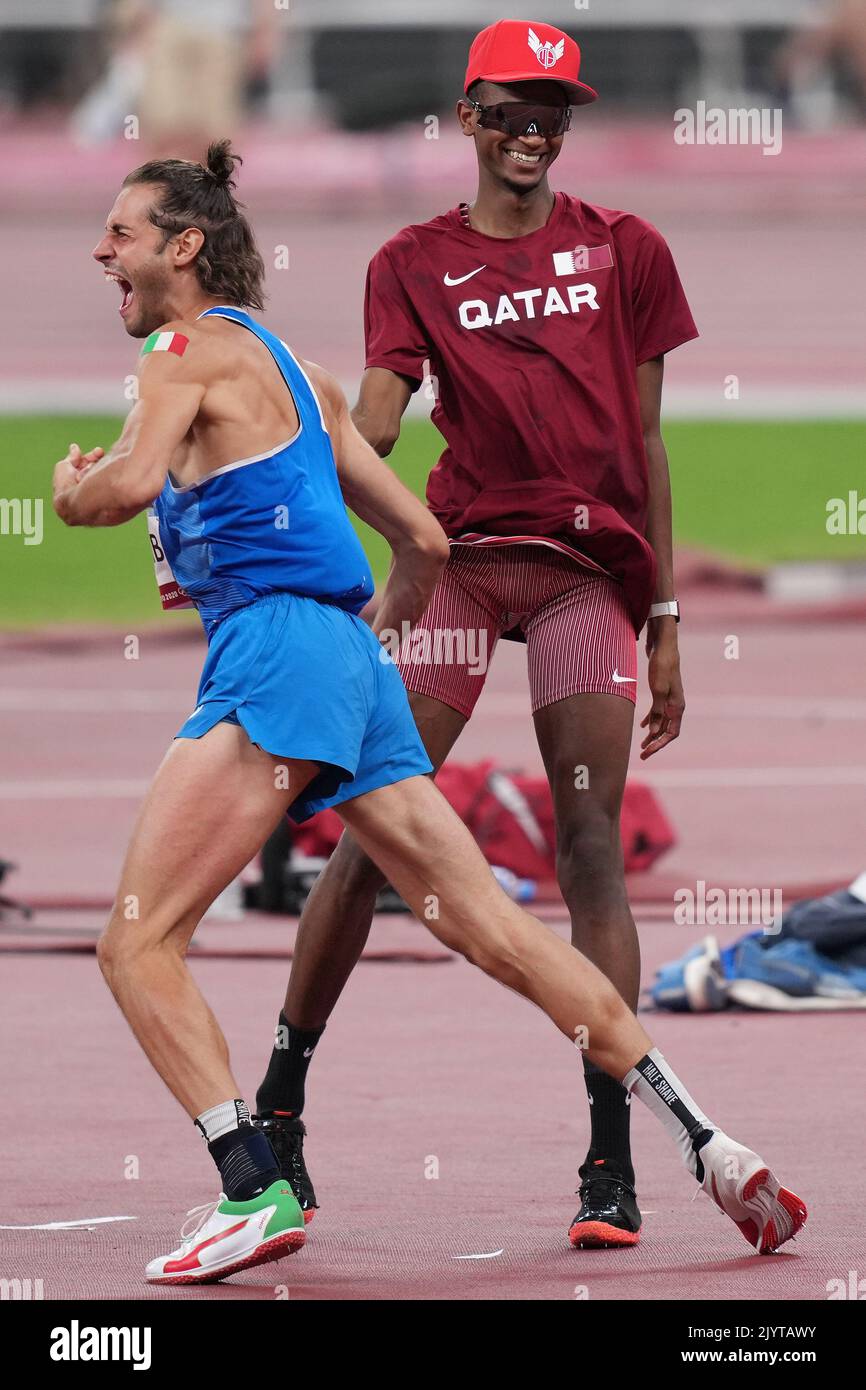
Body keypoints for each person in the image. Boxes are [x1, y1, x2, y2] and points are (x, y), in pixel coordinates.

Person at [52, 141, 805, 1285]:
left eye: (122, 232)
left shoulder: (179, 350)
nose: (103, 251)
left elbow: (126, 488)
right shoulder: (296, 371)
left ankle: (252, 1180)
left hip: (275, 655)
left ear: (184, 246)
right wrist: (362, 648)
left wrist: (67, 489)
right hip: (345, 662)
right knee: (491, 928)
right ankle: (709, 1141)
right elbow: (425, 539)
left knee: (136, 939)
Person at [253, 18, 692, 1248]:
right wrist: (286, 454)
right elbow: (380, 420)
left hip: (580, 580)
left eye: (552, 108)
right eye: (508, 106)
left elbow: (648, 444)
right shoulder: (411, 260)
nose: (531, 128)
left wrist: (663, 617)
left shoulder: (625, 249)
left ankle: (609, 1158)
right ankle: (280, 1105)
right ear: (468, 114)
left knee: (589, 848)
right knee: (375, 835)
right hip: (457, 566)